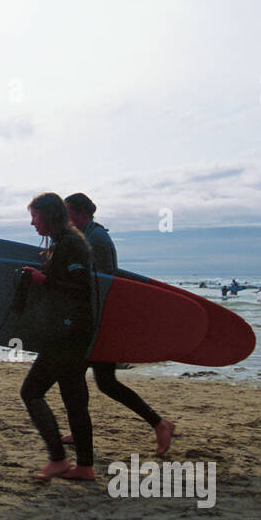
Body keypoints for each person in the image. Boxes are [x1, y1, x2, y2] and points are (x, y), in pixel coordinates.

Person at [64, 193, 175, 456]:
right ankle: (157, 424)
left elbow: (102, 284)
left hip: (100, 324)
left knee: (90, 380)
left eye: (67, 213)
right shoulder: (88, 235)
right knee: (96, 381)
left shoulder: (97, 239)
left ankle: (160, 424)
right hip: (96, 322)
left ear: (80, 214)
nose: (64, 219)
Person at [19, 194, 95, 480]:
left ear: (49, 215)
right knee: (73, 398)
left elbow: (81, 289)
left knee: (31, 392)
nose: (32, 223)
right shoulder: (66, 241)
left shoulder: (70, 243)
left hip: (68, 334)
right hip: (75, 331)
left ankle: (58, 459)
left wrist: (43, 280)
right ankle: (85, 467)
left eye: (35, 217)